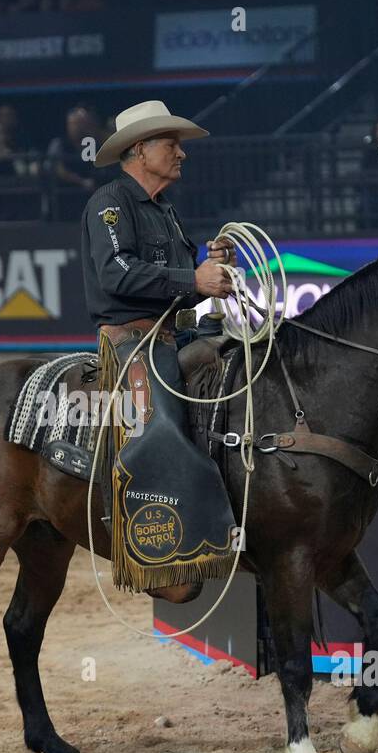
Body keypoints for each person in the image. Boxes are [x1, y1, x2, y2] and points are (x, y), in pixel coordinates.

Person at [81, 99, 238, 592]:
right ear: (140, 149)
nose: (181, 153)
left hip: (172, 333)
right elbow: (116, 273)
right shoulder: (110, 203)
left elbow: (179, 284)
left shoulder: (165, 210)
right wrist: (193, 278)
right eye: (171, 144)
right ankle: (158, 549)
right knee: (161, 426)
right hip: (132, 342)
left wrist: (210, 271)